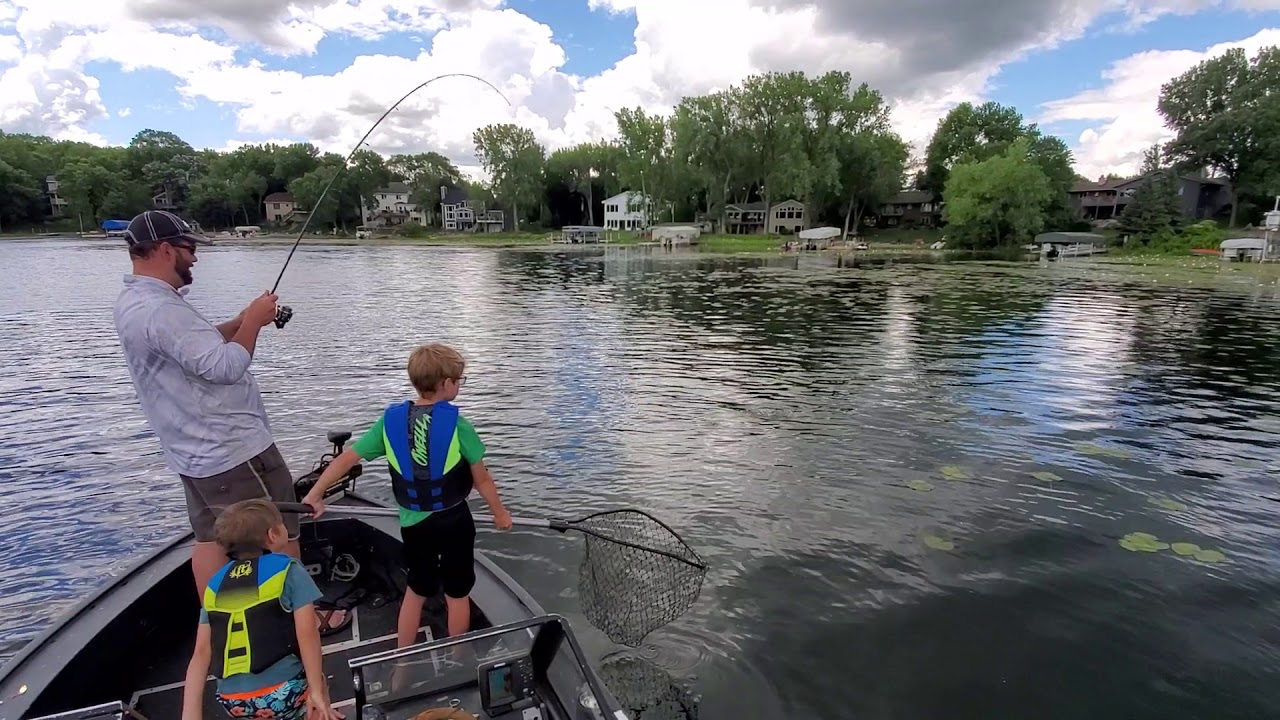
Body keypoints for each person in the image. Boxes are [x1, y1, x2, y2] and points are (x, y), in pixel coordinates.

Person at [112, 210, 348, 632]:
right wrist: (255, 324)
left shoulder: (136, 303)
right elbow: (224, 367)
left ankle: (215, 625)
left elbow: (196, 350)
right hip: (233, 452)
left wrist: (242, 320)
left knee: (210, 541)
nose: (195, 258)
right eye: (189, 249)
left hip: (194, 457)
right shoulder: (163, 310)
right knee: (278, 535)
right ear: (165, 250)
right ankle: (303, 622)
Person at [302, 343, 513, 645]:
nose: (459, 385)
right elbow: (482, 479)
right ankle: (457, 657)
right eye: (458, 380)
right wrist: (500, 514)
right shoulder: (459, 425)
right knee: (457, 593)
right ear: (445, 384)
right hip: (454, 521)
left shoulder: (390, 423)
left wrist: (316, 492)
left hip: (415, 525)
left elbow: (348, 459)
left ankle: (402, 659)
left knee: (416, 590)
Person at [181, 498, 343, 720]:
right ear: (273, 535)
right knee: (318, 692)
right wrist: (315, 691)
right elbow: (307, 633)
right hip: (283, 692)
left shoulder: (214, 584)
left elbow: (201, 653)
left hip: (233, 701)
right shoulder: (289, 569)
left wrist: (190, 715)